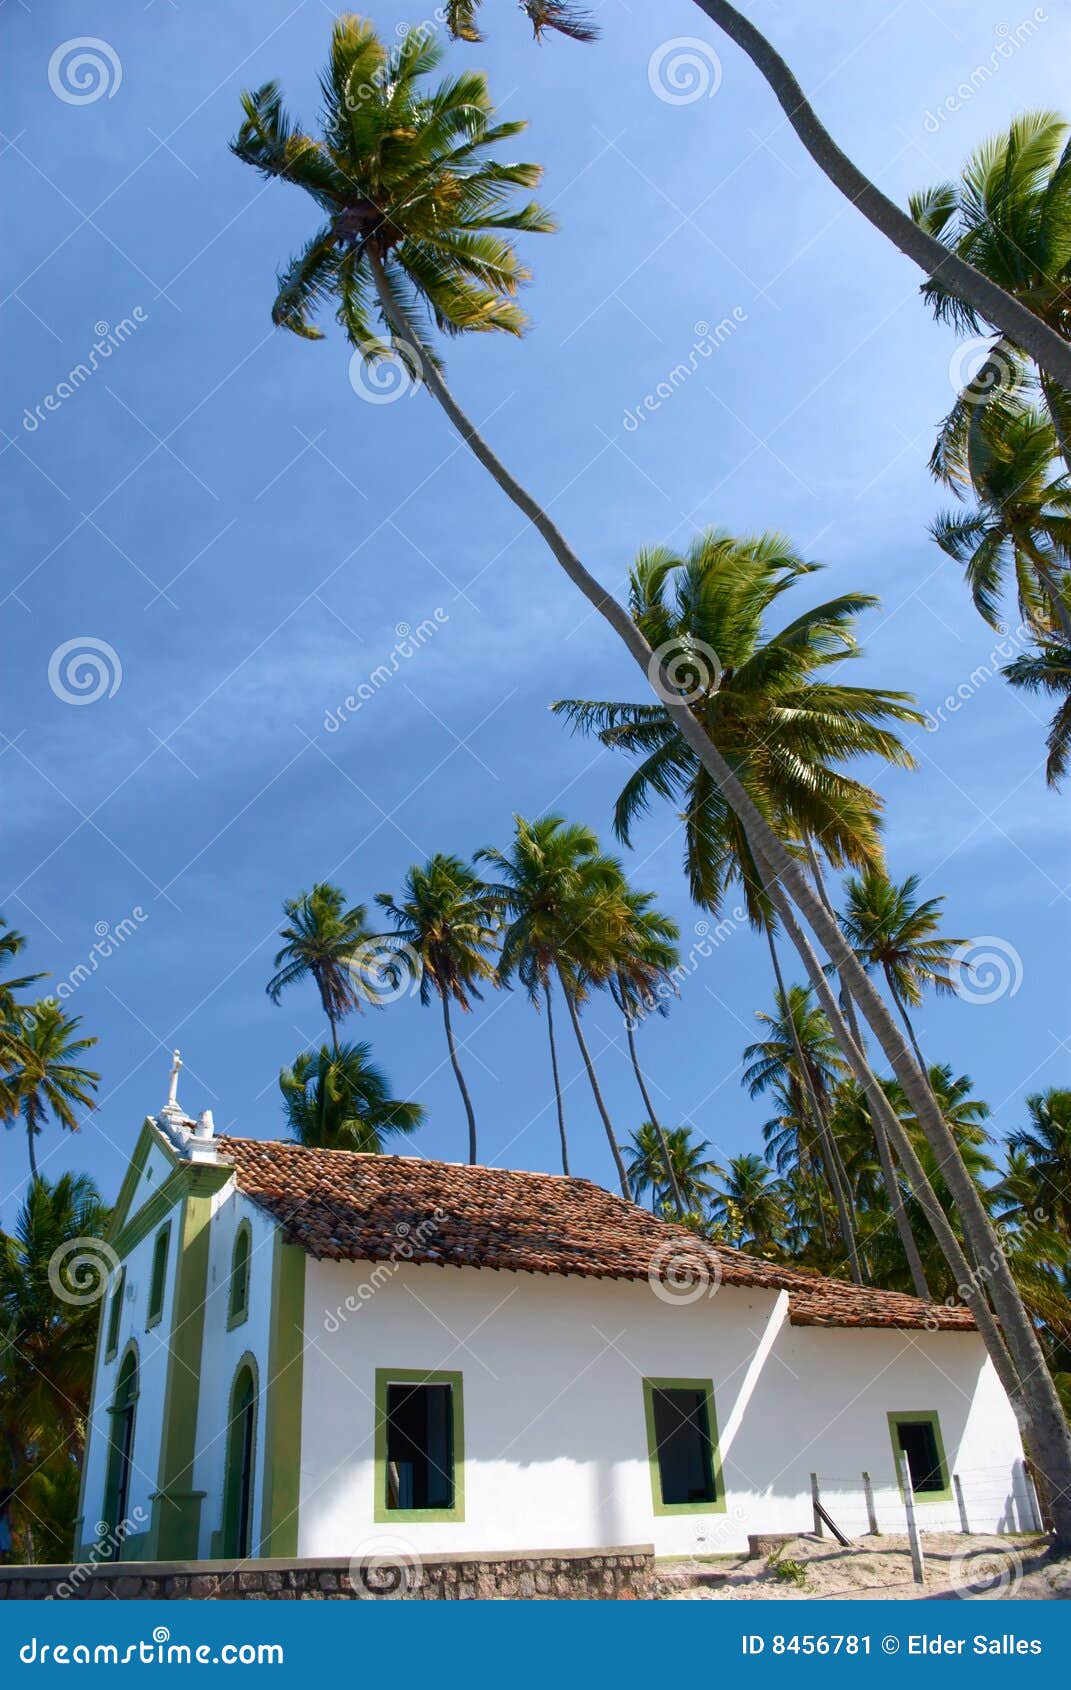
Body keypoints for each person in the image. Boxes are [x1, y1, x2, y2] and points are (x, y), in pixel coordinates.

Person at [0, 1487, 13, 1564]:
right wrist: (11, 1525)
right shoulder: (8, 1503)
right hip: (4, 1524)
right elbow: (10, 1515)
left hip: (2, 1522)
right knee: (2, 1547)